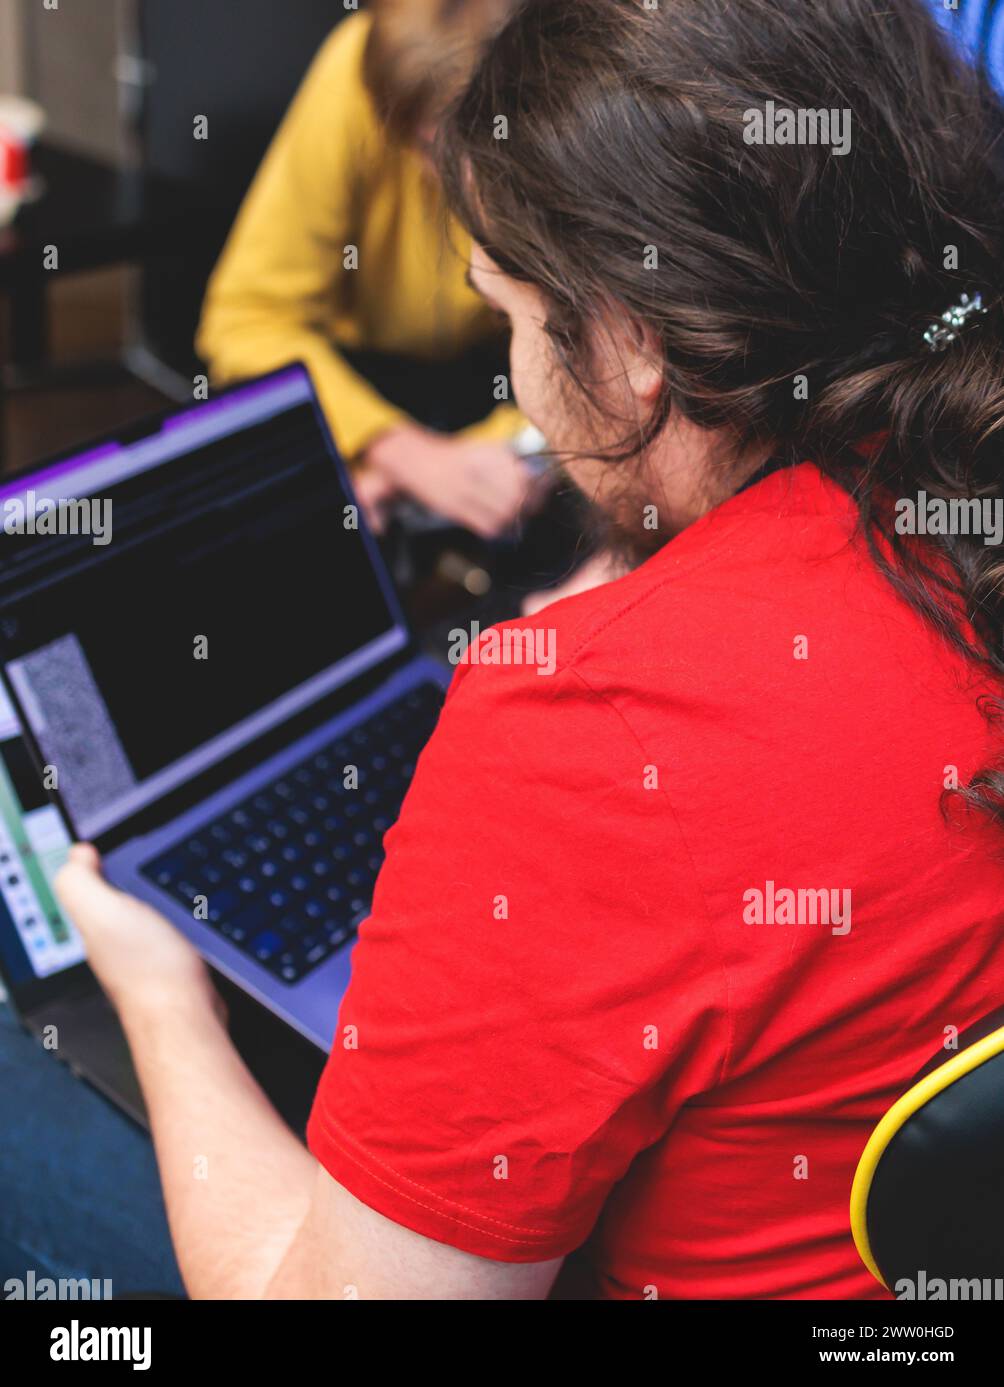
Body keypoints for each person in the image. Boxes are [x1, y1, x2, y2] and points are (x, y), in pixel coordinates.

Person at [9, 0, 1004, 1299]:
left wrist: (158, 988)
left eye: (512, 314)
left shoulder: (592, 725)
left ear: (638, 347)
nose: (521, 375)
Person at [195, 0, 541, 543]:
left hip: (510, 387)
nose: (443, 178)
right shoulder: (356, 72)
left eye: (463, 148)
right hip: (358, 383)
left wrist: (522, 445)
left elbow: (613, 351)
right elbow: (243, 322)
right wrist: (395, 452)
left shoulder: (567, 80)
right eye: (426, 147)